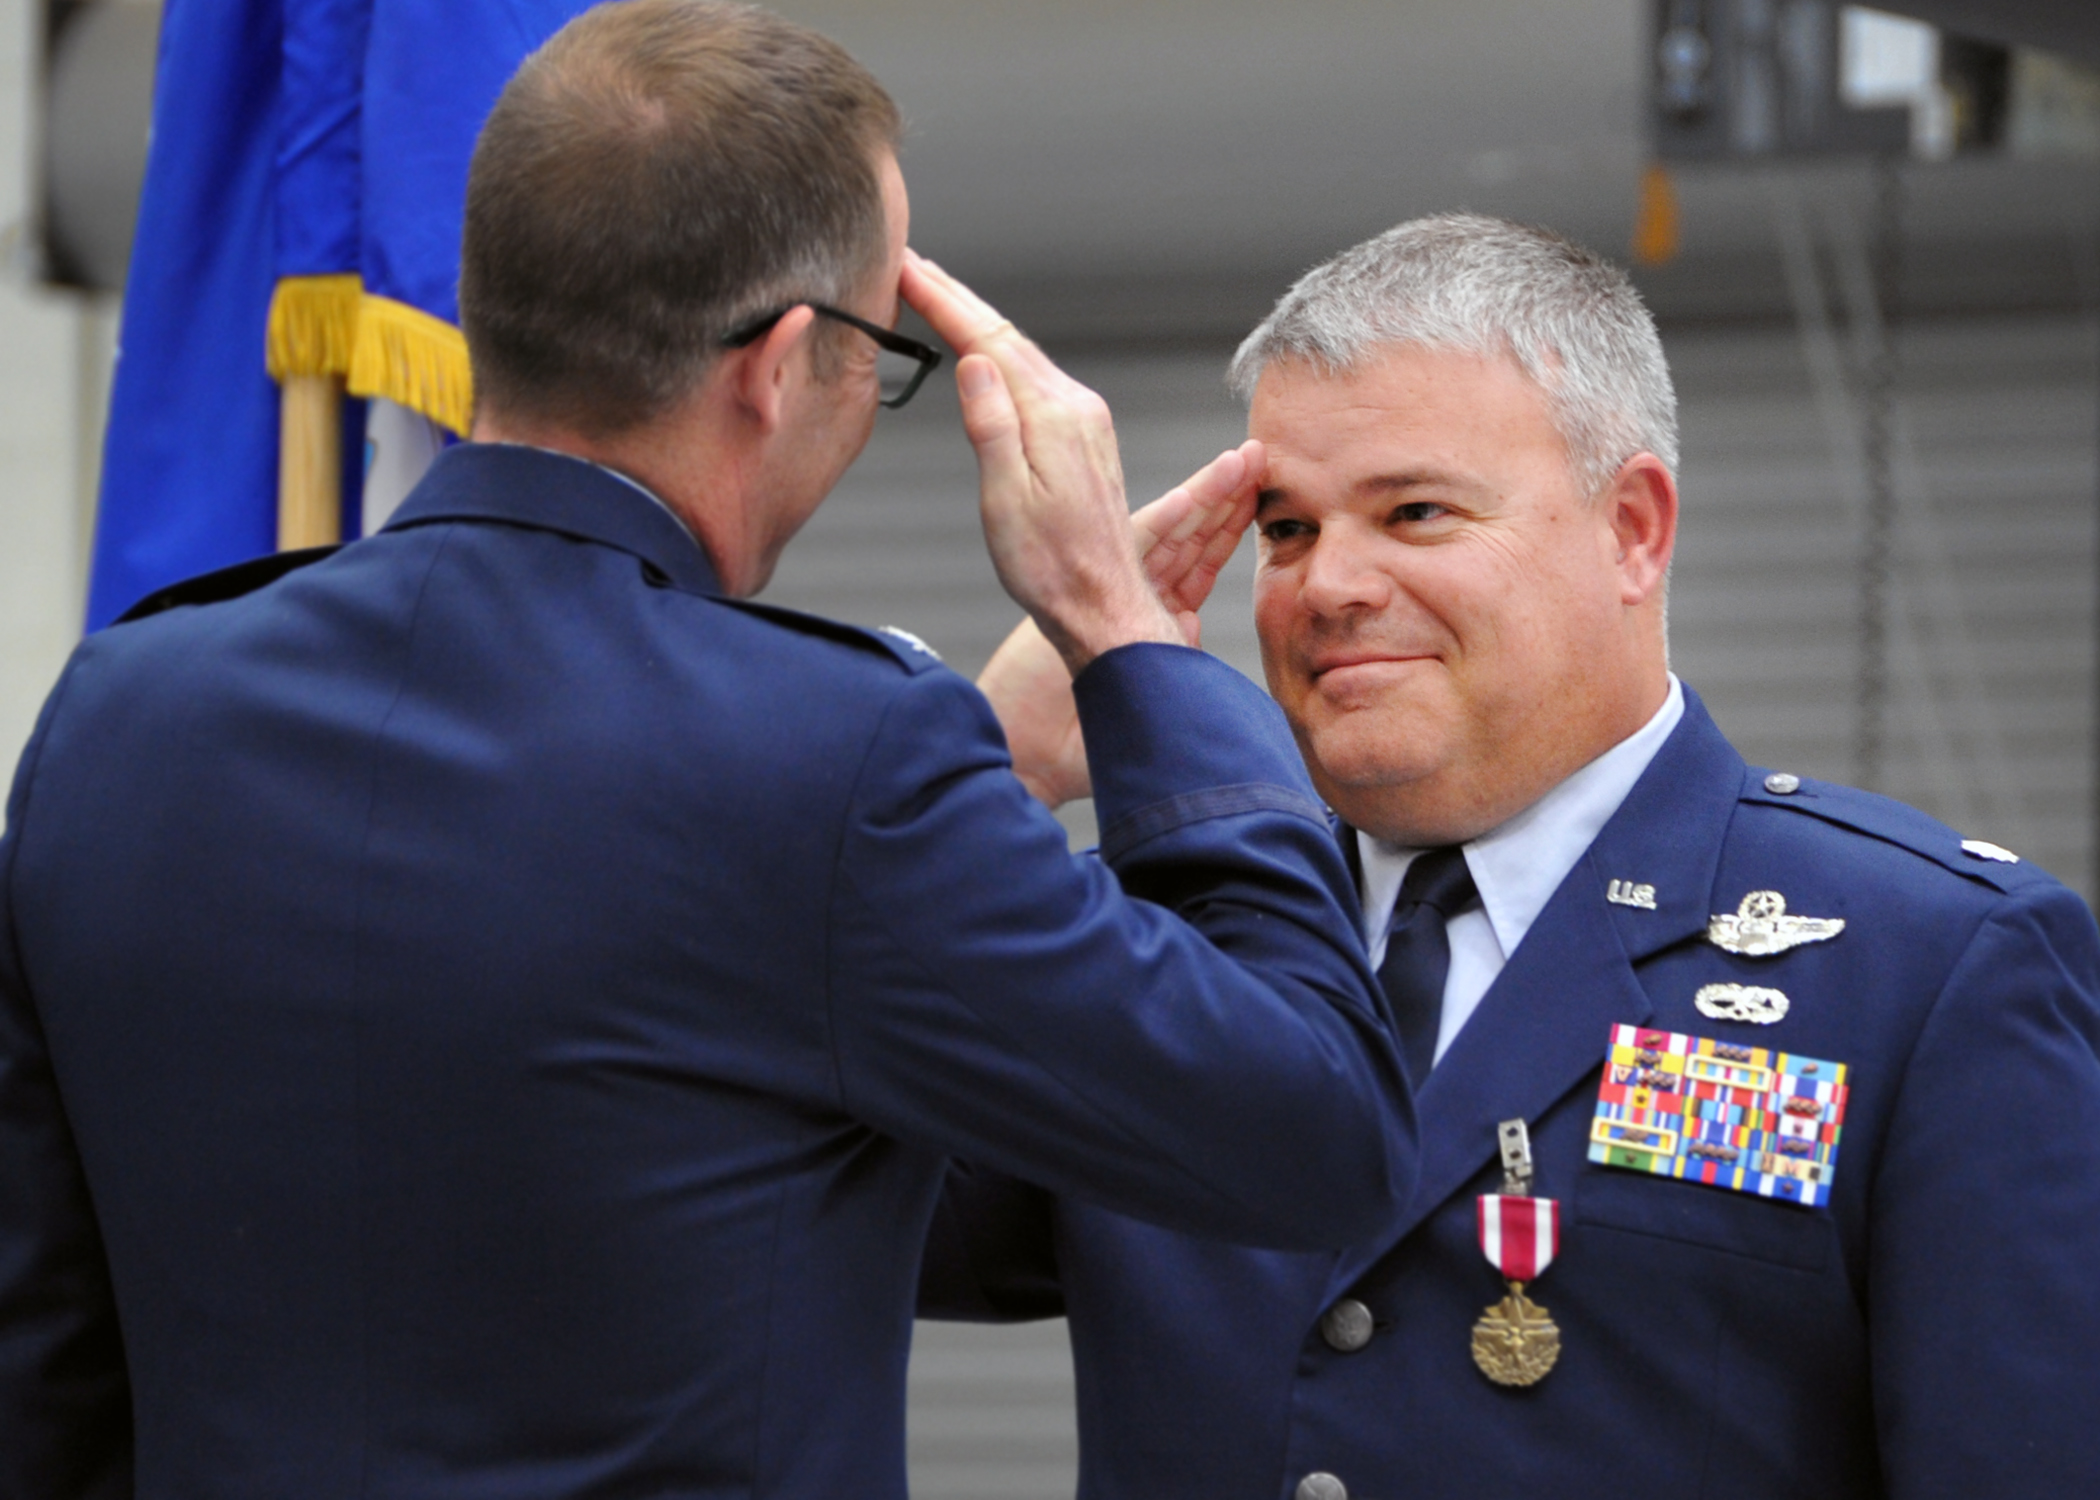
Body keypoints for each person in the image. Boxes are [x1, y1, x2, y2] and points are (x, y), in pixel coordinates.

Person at [0, 5, 1417, 1497]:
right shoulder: (840, 758)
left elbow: (45, 1365)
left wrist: (989, 764)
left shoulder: (119, 716)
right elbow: (1317, 1127)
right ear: (781, 364)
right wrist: (1128, 644)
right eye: (877, 352)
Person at [924, 213, 2100, 1499]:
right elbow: (837, 1200)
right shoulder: (1160, 939)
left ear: (1632, 530)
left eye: (1415, 512)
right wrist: (993, 766)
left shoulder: (1926, 968)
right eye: (1287, 529)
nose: (1329, 586)